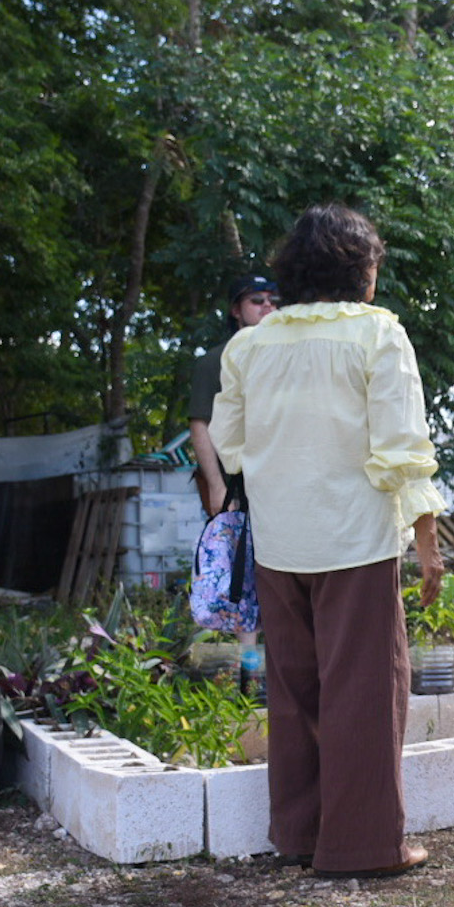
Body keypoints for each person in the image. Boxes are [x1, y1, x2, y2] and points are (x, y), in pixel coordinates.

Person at [210, 205, 444, 879]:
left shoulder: (248, 345)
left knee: (294, 691)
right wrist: (428, 542)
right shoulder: (378, 334)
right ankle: (366, 845)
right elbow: (403, 450)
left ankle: (300, 833)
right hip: (356, 539)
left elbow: (231, 444)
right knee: (365, 690)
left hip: (279, 542)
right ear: (360, 273)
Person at [188, 274, 278, 688]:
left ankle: (281, 671)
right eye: (256, 300)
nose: (266, 306)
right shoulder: (215, 360)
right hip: (236, 490)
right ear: (236, 309)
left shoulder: (287, 354)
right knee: (241, 580)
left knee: (282, 575)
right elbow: (200, 426)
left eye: (273, 300)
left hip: (284, 485)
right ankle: (250, 674)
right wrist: (218, 486)